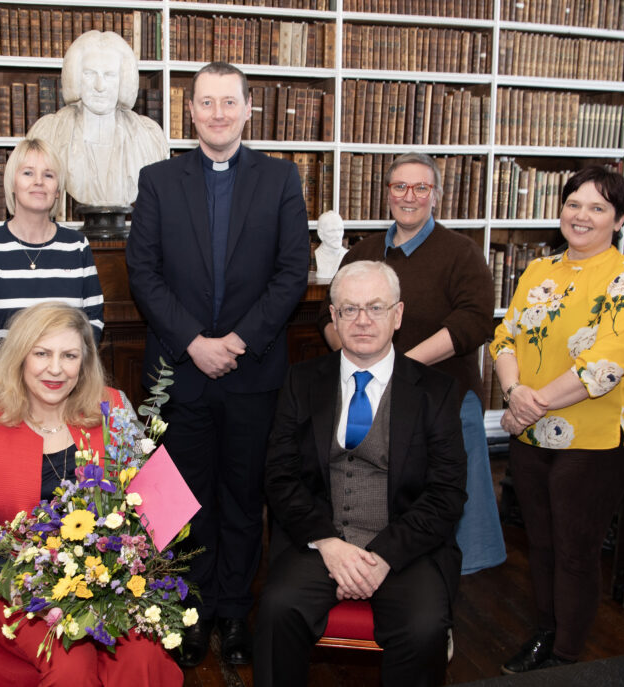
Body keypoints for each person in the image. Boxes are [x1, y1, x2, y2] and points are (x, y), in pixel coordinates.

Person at [125, 61, 310, 667]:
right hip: (180, 371)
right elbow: (143, 274)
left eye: (229, 102)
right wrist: (193, 343)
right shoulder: (157, 180)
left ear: (248, 109)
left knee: (242, 496)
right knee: (183, 500)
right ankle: (190, 611)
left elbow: (291, 274)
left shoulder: (282, 180)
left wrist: (235, 342)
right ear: (191, 110)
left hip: (252, 373)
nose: (218, 113)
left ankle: (233, 613)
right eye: (206, 103)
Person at [256, 260, 467, 687]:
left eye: (375, 307)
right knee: (278, 608)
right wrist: (329, 543)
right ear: (333, 317)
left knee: (424, 625)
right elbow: (280, 476)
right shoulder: (300, 382)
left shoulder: (437, 393)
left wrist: (385, 555)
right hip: (321, 541)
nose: (363, 320)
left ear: (398, 314)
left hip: (404, 546)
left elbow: (446, 494)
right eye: (349, 309)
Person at [0, 303, 183, 686]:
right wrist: (16, 582)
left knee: (140, 656)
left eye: (69, 355)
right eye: (41, 353)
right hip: (25, 595)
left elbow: (156, 500)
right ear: (20, 357)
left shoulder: (114, 407)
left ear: (84, 362)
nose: (55, 369)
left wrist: (127, 568)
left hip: (113, 586)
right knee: (71, 668)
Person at [491, 166, 624, 672]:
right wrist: (515, 391)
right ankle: (545, 633)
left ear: (620, 219)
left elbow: (603, 366)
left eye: (598, 207)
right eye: (574, 204)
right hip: (531, 433)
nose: (582, 215)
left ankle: (567, 659)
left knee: (576, 552)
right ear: (561, 210)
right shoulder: (539, 271)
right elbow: (505, 338)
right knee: (538, 544)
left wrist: (528, 403)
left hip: (597, 438)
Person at [318, 152, 506, 575]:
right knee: (387, 518)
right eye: (400, 186)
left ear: (436, 196)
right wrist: (354, 354)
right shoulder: (362, 253)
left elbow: (473, 322)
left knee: (452, 524)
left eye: (421, 187)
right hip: (371, 405)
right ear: (387, 193)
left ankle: (446, 620)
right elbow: (327, 318)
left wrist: (397, 367)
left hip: (448, 404)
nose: (409, 196)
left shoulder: (462, 253)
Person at [0, 137, 103, 399]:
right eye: (28, 173)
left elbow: (92, 322)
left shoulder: (77, 246)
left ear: (58, 189)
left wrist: (58, 371)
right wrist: (22, 375)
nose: (38, 181)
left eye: (48, 175)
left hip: (61, 392)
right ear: (12, 183)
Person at [27, 30, 168, 207]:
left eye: (109, 75)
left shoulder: (149, 138)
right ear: (75, 77)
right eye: (89, 74)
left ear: (123, 80)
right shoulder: (48, 133)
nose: (99, 86)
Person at [314, 210, 348, 279]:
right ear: (320, 234)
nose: (338, 235)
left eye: (340, 230)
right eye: (332, 231)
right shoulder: (315, 256)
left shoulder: (349, 255)